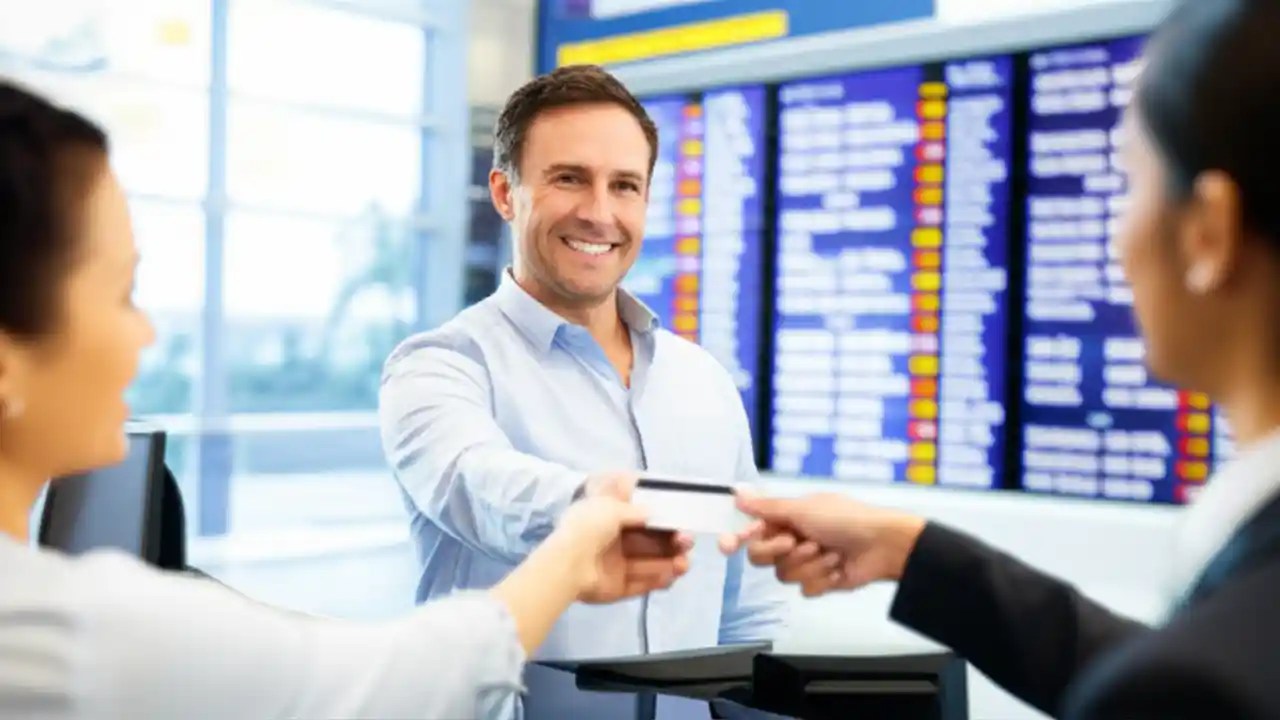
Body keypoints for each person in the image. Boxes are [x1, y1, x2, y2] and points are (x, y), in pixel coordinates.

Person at [0, 79, 691, 719]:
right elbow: (400, 677)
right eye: (120, 293)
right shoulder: (62, 636)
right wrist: (578, 535)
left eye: (626, 185)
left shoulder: (697, 380)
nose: (144, 332)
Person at [722, 1, 1280, 718]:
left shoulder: (1197, 684)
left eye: (1131, 185)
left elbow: (1183, 687)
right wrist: (911, 549)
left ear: (1210, 232)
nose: (1117, 241)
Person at [378, 64, 788, 719]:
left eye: (624, 186)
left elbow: (748, 602)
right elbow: (476, 484)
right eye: (569, 178)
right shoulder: (441, 366)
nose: (599, 213)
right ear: (506, 193)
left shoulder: (701, 380)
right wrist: (589, 506)